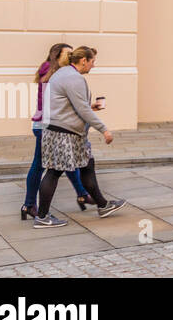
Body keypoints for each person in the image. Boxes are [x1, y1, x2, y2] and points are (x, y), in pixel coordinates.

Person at [32, 47, 126, 228]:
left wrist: (89, 106)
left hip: (65, 131)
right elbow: (81, 109)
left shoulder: (63, 73)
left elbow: (74, 104)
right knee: (53, 172)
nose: (93, 65)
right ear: (83, 60)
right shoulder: (74, 78)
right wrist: (104, 129)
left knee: (87, 165)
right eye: (92, 61)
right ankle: (42, 217)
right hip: (63, 133)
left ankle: (103, 205)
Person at [21, 44, 93, 220]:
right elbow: (54, 104)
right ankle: (30, 205)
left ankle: (82, 194)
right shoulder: (53, 72)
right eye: (68, 53)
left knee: (66, 162)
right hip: (47, 126)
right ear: (57, 55)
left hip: (49, 124)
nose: (72, 55)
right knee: (42, 166)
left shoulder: (58, 72)